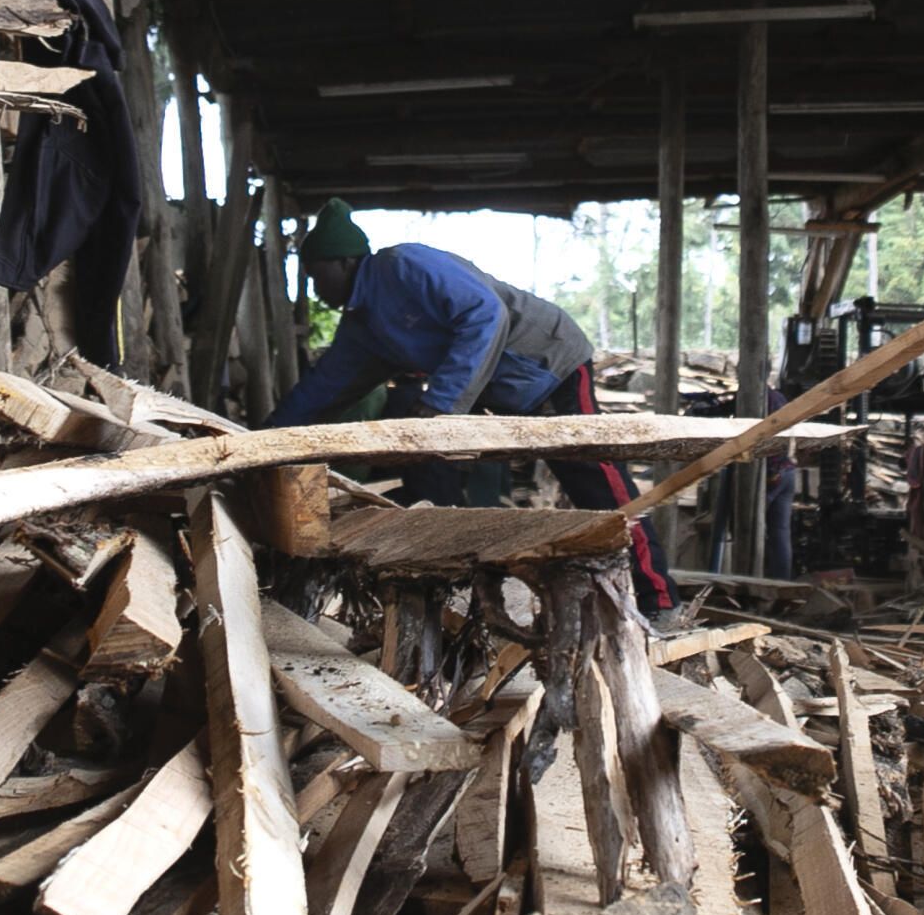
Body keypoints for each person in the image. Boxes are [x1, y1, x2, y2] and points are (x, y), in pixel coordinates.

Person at [268, 200, 677, 620]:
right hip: (506, 393)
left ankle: (659, 600)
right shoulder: (363, 326)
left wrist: (440, 403)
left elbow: (485, 313)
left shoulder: (405, 264)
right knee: (438, 473)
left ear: (343, 261)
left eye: (316, 277)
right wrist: (267, 434)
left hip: (551, 364)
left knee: (597, 484)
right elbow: (327, 386)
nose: (315, 290)